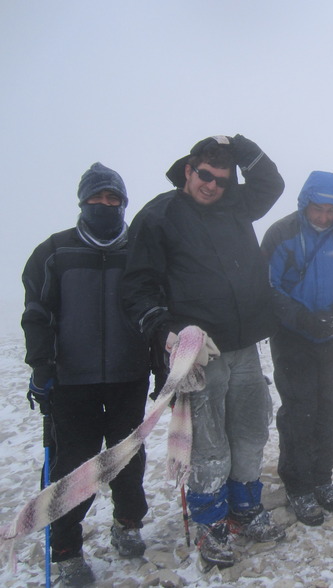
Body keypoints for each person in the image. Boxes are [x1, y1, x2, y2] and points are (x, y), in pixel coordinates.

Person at [121, 135, 285, 569]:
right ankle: (211, 525)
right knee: (209, 445)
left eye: (222, 179)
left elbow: (270, 185)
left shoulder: (235, 205)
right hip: (198, 352)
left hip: (244, 342)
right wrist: (168, 332)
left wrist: (244, 147)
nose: (213, 186)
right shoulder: (159, 216)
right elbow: (137, 286)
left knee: (250, 431)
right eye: (206, 176)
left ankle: (246, 508)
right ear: (188, 170)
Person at [21, 162, 151, 586]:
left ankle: (128, 524)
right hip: (70, 381)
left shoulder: (138, 250)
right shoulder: (54, 251)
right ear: (83, 202)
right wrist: (42, 367)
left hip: (129, 374)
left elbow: (156, 307)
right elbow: (36, 315)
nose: (105, 205)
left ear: (123, 202)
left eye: (113, 198)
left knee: (127, 460)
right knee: (74, 468)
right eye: (97, 198)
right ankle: (66, 550)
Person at [261, 171, 333, 526]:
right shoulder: (282, 234)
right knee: (299, 410)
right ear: (305, 203)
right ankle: (297, 484)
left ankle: (322, 478)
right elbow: (268, 285)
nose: (324, 216)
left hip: (331, 338)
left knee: (329, 410)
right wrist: (302, 319)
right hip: (292, 337)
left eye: (331, 210)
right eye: (317, 209)